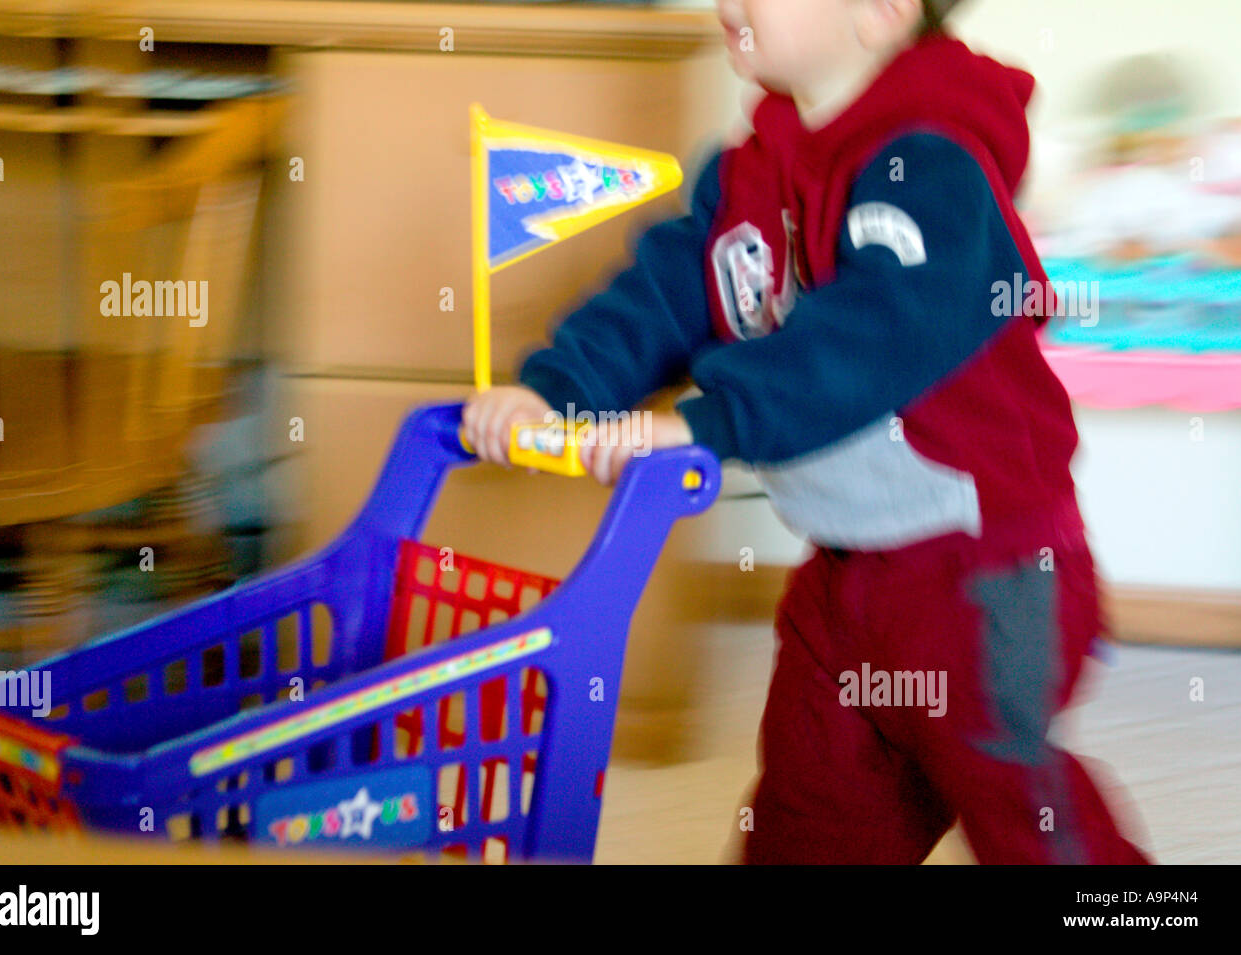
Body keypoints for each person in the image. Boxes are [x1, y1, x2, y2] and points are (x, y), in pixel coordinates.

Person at [462, 0, 1151, 864]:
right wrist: (560, 392)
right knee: (812, 807)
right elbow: (665, 295)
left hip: (987, 571)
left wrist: (704, 423)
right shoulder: (751, 172)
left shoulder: (932, 163)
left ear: (882, 11)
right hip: (847, 570)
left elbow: (872, 335)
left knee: (1017, 805)